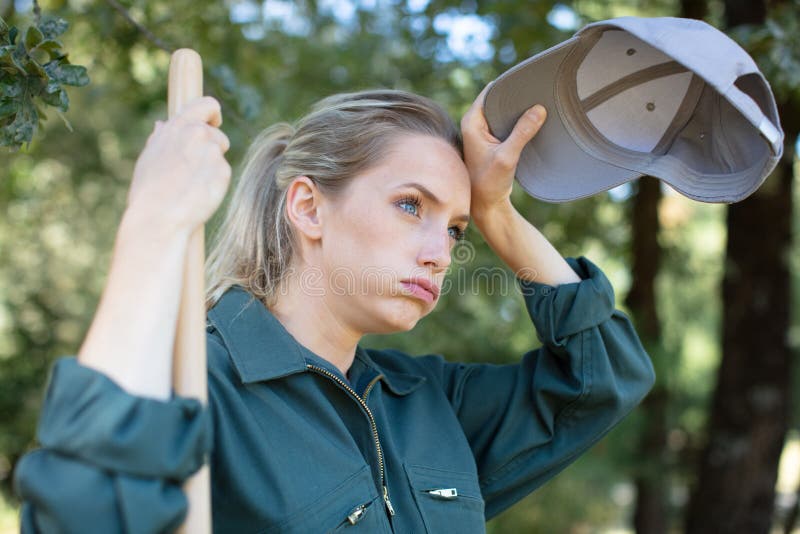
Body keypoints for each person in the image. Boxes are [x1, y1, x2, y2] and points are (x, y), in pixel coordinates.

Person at [14, 86, 655, 533]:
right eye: (411, 205)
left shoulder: (429, 403)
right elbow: (77, 515)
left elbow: (603, 377)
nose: (440, 253)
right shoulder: (195, 383)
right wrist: (154, 222)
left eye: (456, 230)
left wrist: (498, 213)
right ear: (308, 207)